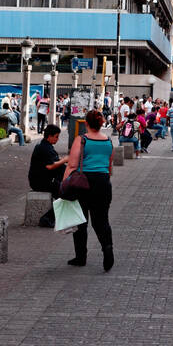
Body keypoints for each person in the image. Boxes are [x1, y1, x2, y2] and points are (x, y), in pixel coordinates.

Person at [63, 109, 115, 271]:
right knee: (101, 221)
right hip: (103, 183)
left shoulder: (82, 140)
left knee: (80, 220)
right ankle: (108, 250)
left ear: (86, 123)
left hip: (83, 183)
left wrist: (64, 184)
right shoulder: (108, 141)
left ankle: (81, 257)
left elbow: (72, 165)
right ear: (100, 124)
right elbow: (109, 166)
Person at [29, 124, 69, 228]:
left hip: (43, 180)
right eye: (56, 136)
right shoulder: (44, 148)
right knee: (68, 195)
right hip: (41, 182)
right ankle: (47, 218)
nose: (57, 139)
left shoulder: (45, 146)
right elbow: (50, 166)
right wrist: (64, 160)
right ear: (49, 136)